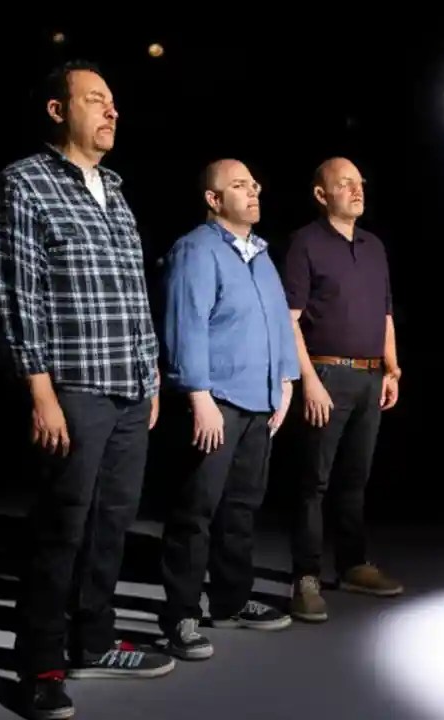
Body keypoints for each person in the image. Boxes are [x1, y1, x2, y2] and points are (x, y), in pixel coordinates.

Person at [0, 59, 174, 720]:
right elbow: (16, 294)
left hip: (130, 385)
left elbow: (134, 291)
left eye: (113, 101)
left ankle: (93, 642)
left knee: (112, 525)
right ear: (57, 110)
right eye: (96, 99)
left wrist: (151, 374)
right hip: (73, 386)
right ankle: (40, 666)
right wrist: (40, 393)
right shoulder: (24, 183)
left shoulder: (115, 190)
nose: (111, 110)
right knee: (61, 528)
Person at [155, 158, 299, 661]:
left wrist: (285, 382)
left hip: (260, 402)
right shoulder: (196, 250)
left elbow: (279, 321)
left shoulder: (260, 254)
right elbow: (184, 323)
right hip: (216, 402)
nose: (253, 191)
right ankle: (180, 615)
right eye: (239, 185)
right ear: (214, 199)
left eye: (254, 183)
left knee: (242, 509)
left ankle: (231, 601)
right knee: (195, 512)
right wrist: (198, 396)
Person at [282, 157, 404, 624]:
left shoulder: (374, 246)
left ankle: (353, 564)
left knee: (355, 479)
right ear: (321, 194)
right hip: (328, 376)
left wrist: (391, 368)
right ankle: (305, 577)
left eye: (360, 182)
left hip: (371, 377)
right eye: (345, 183)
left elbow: (386, 313)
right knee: (313, 482)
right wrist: (309, 380)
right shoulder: (305, 243)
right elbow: (289, 320)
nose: (357, 190)